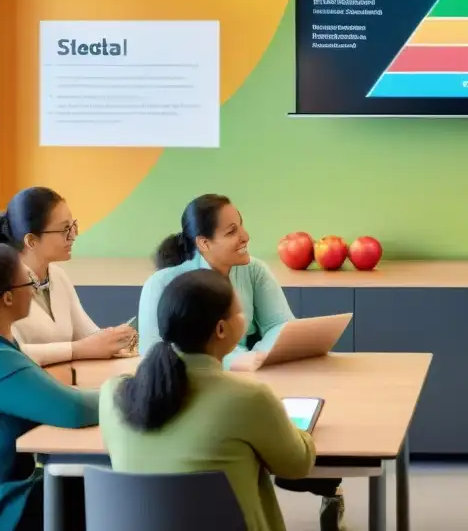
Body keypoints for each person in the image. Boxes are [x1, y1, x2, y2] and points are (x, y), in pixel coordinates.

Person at [137, 193, 344, 527]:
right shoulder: (161, 285)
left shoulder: (253, 271)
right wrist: (236, 360)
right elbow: (152, 353)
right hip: (198, 400)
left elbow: (281, 326)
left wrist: (258, 357)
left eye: (241, 226)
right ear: (203, 243)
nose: (245, 236)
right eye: (231, 231)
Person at [102, 268, 323, 531]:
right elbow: (297, 464)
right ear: (221, 329)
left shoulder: (112, 394)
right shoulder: (250, 399)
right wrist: (294, 428)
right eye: (240, 312)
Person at [0, 242, 99, 531]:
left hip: (4, 487)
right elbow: (74, 410)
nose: (34, 290)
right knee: (103, 494)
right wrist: (132, 392)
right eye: (29, 283)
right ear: (7, 298)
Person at [0, 186, 137, 366]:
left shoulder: (58, 276)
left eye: (73, 225)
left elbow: (88, 334)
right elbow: (8, 353)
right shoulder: (2, 287)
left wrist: (115, 339)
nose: (74, 235)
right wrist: (77, 349)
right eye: (65, 229)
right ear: (31, 241)